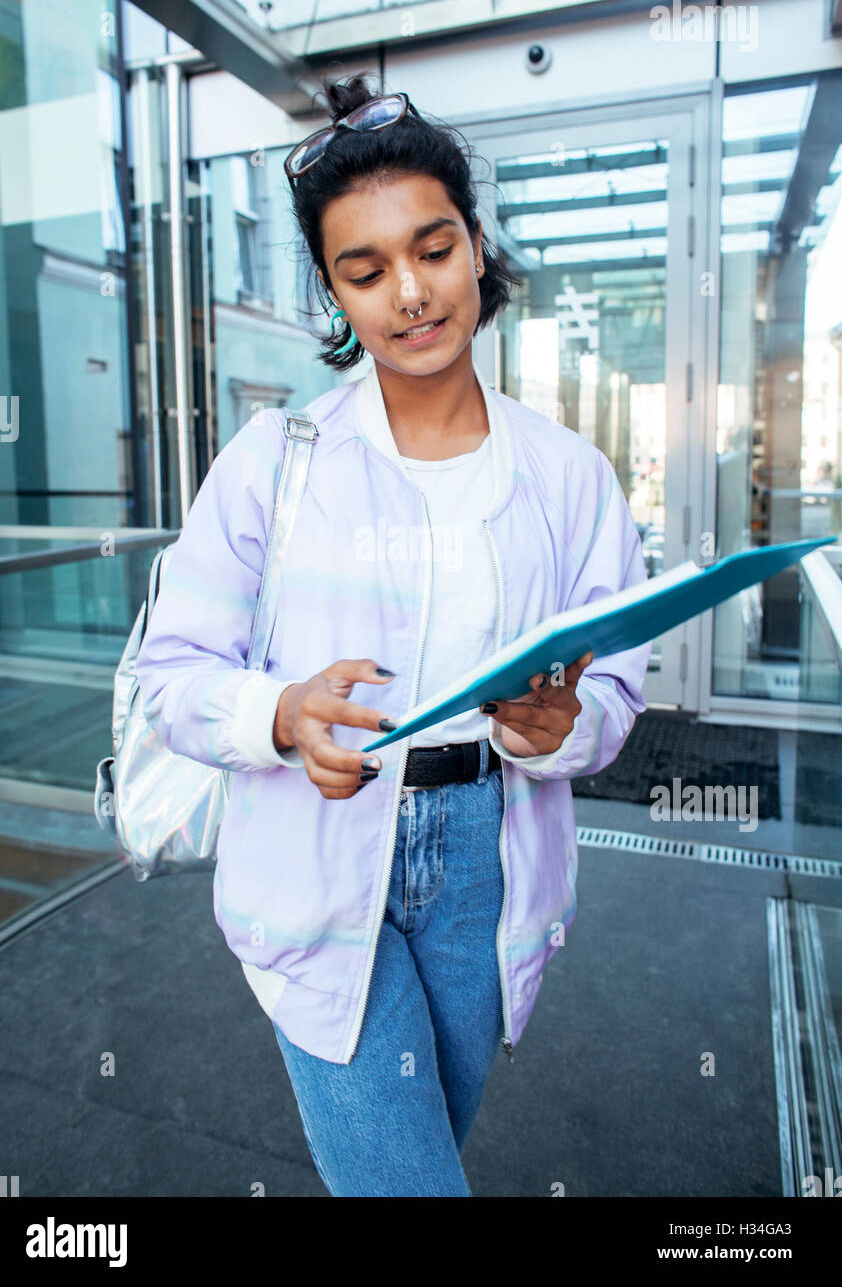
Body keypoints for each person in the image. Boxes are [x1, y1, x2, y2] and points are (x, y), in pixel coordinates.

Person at [135, 73, 652, 1197]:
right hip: (315, 858)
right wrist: (278, 712)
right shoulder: (274, 461)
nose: (409, 294)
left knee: (423, 1160)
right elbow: (170, 678)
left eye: (431, 249)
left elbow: (614, 693)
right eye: (364, 272)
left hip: (486, 852)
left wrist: (560, 722)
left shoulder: (567, 476)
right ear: (333, 295)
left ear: (476, 247)